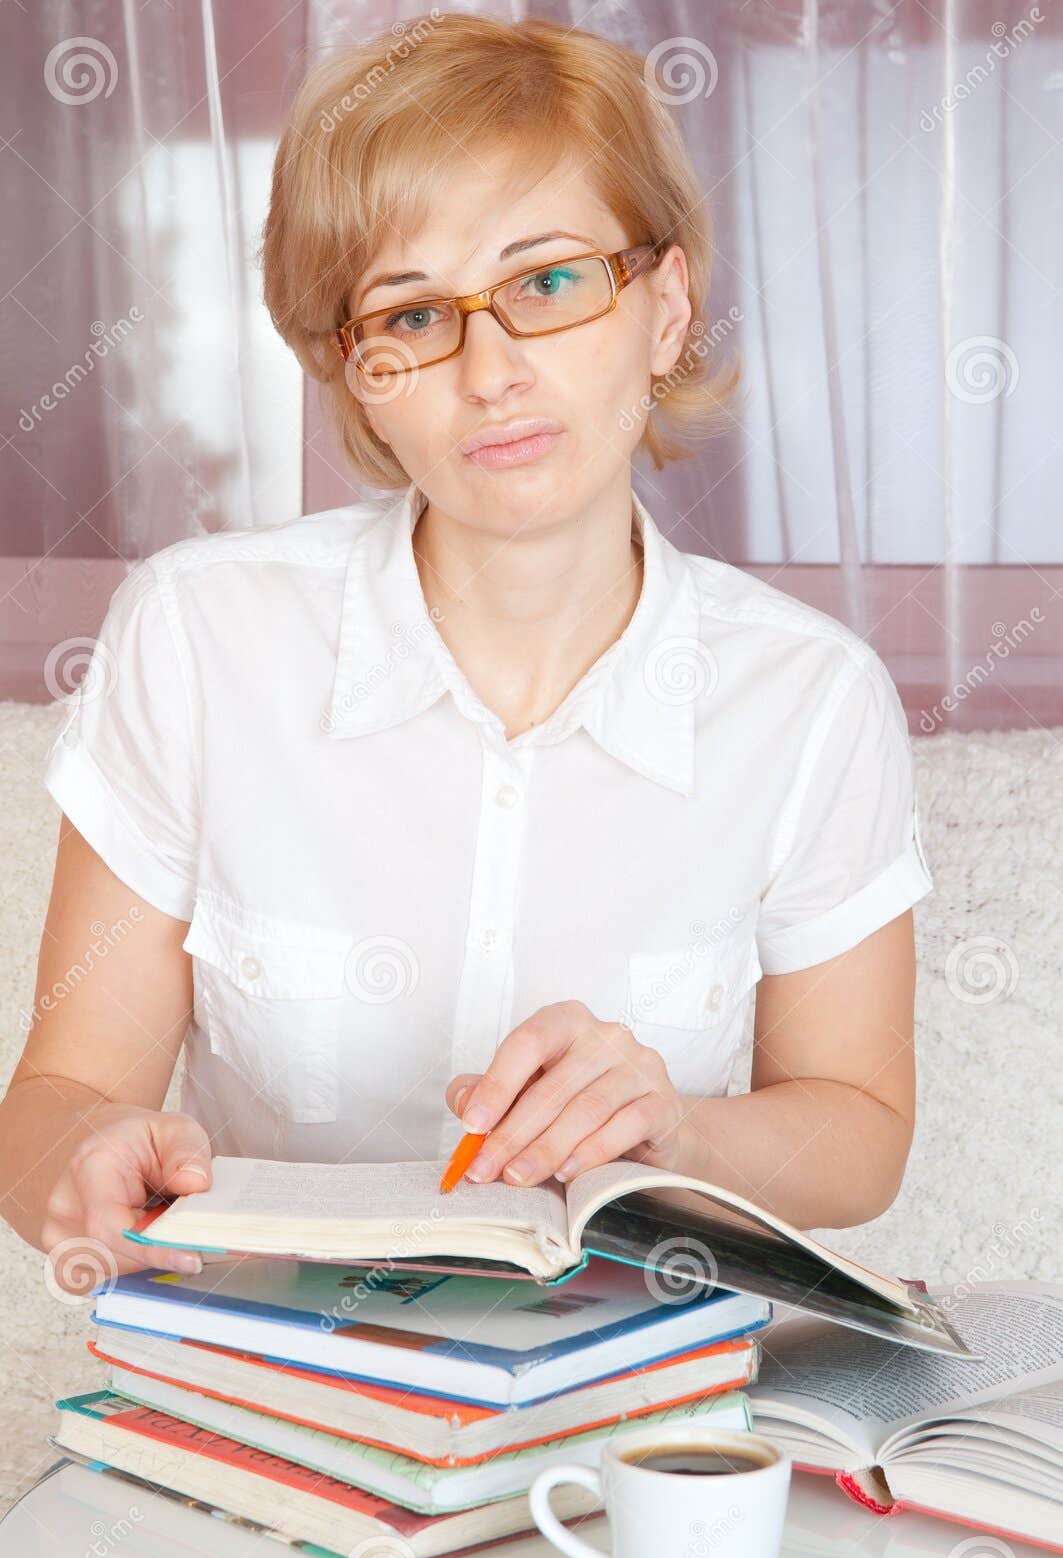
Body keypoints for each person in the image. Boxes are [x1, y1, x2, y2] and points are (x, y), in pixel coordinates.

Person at [0, 15, 932, 1293]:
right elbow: (59, 1095)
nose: (490, 372)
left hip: (632, 1404)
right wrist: (89, 1147)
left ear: (665, 309)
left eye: (547, 283)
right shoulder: (196, 637)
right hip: (272, 1390)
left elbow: (860, 1133)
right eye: (415, 313)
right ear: (357, 373)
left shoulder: (813, 700)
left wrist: (676, 1130)